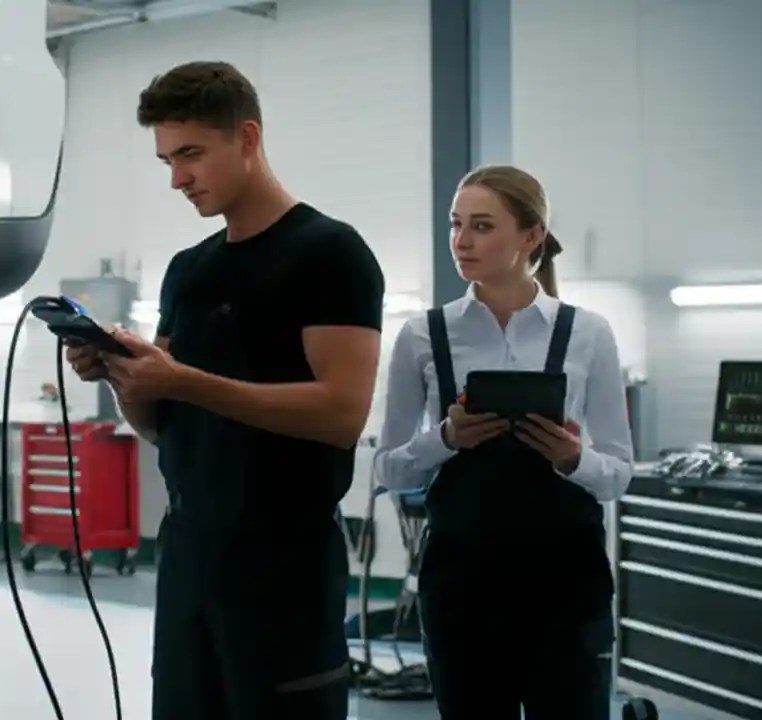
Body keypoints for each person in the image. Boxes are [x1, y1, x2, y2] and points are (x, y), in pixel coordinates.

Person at [65, 60, 385, 720]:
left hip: (283, 566)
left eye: (191, 154)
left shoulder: (330, 254)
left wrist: (183, 379)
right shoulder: (189, 272)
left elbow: (341, 413)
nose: (178, 178)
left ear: (246, 137)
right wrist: (129, 377)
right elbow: (163, 425)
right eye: (166, 161)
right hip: (188, 555)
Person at [377, 164, 634, 719]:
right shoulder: (423, 335)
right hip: (462, 585)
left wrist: (573, 458)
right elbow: (390, 470)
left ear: (531, 235)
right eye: (456, 224)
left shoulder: (587, 332)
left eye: (482, 226)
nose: (461, 241)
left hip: (567, 585)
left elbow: (618, 471)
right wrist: (445, 438)